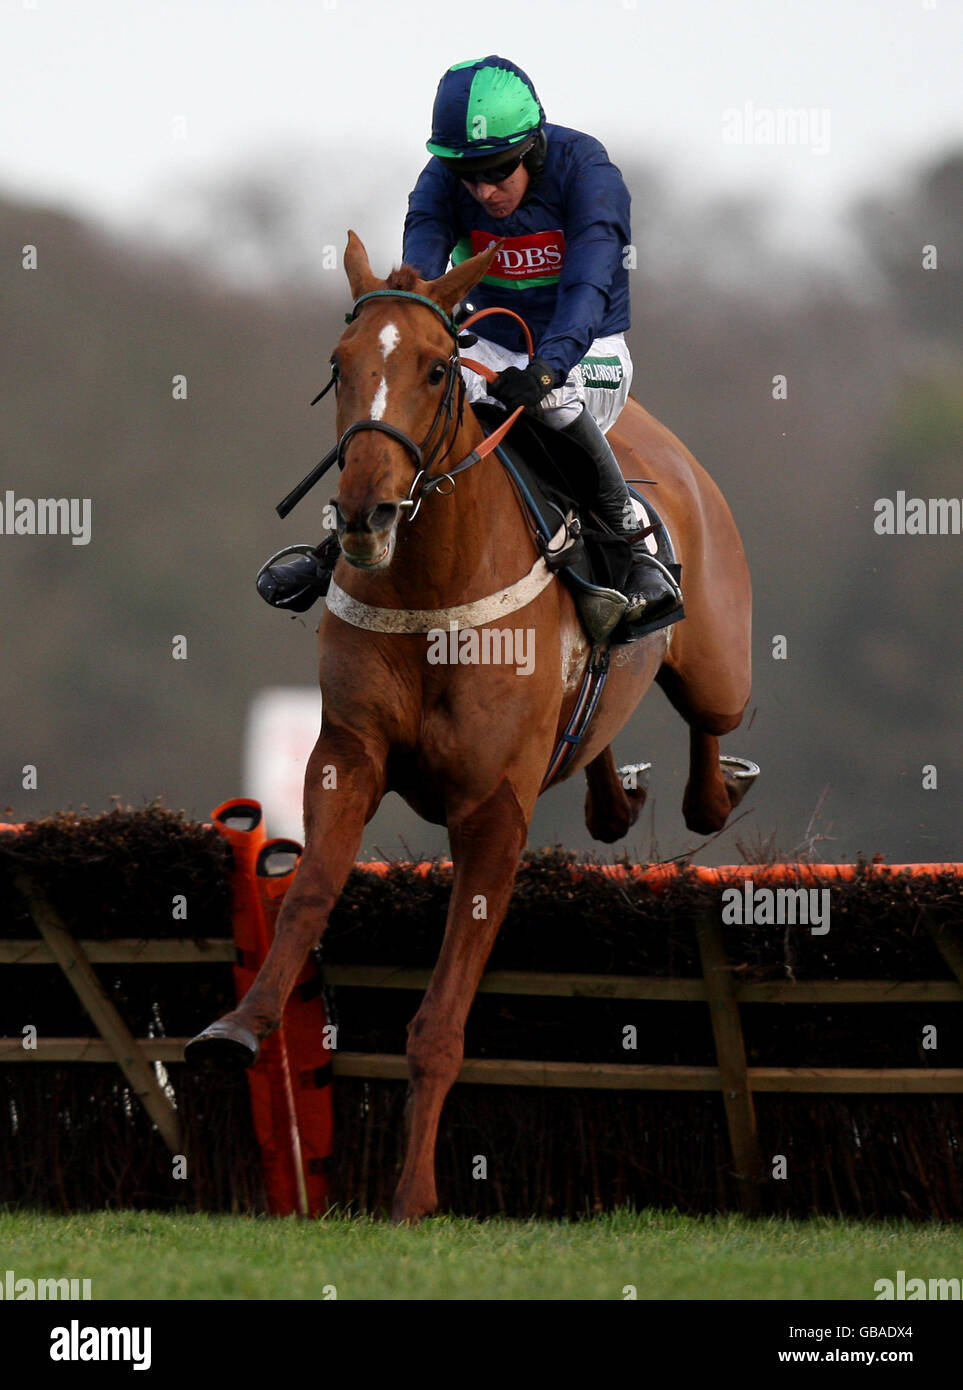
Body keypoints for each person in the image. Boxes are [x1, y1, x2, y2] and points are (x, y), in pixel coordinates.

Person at [258, 55, 681, 625]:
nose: (482, 191)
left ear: (531, 151)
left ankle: (636, 544)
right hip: (487, 340)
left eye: (498, 171)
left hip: (589, 350)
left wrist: (549, 367)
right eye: (468, 176)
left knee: (549, 405)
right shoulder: (440, 182)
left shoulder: (590, 175)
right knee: (411, 396)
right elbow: (423, 278)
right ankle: (341, 542)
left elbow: (587, 289)